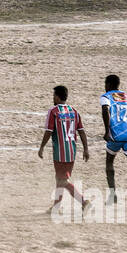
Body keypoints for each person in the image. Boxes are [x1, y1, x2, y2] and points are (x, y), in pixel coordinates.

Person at [37, 85, 92, 215]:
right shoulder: (74, 111)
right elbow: (82, 131)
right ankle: (56, 207)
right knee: (60, 179)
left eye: (53, 96)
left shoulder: (54, 111)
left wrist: (42, 147)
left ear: (56, 96)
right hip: (72, 151)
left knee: (63, 181)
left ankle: (84, 202)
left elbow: (48, 131)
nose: (53, 98)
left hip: (60, 153)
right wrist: (86, 149)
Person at [101, 74, 127, 210]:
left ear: (107, 85)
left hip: (115, 135)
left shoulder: (106, 96)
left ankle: (113, 195)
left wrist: (107, 130)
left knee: (109, 162)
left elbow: (105, 110)